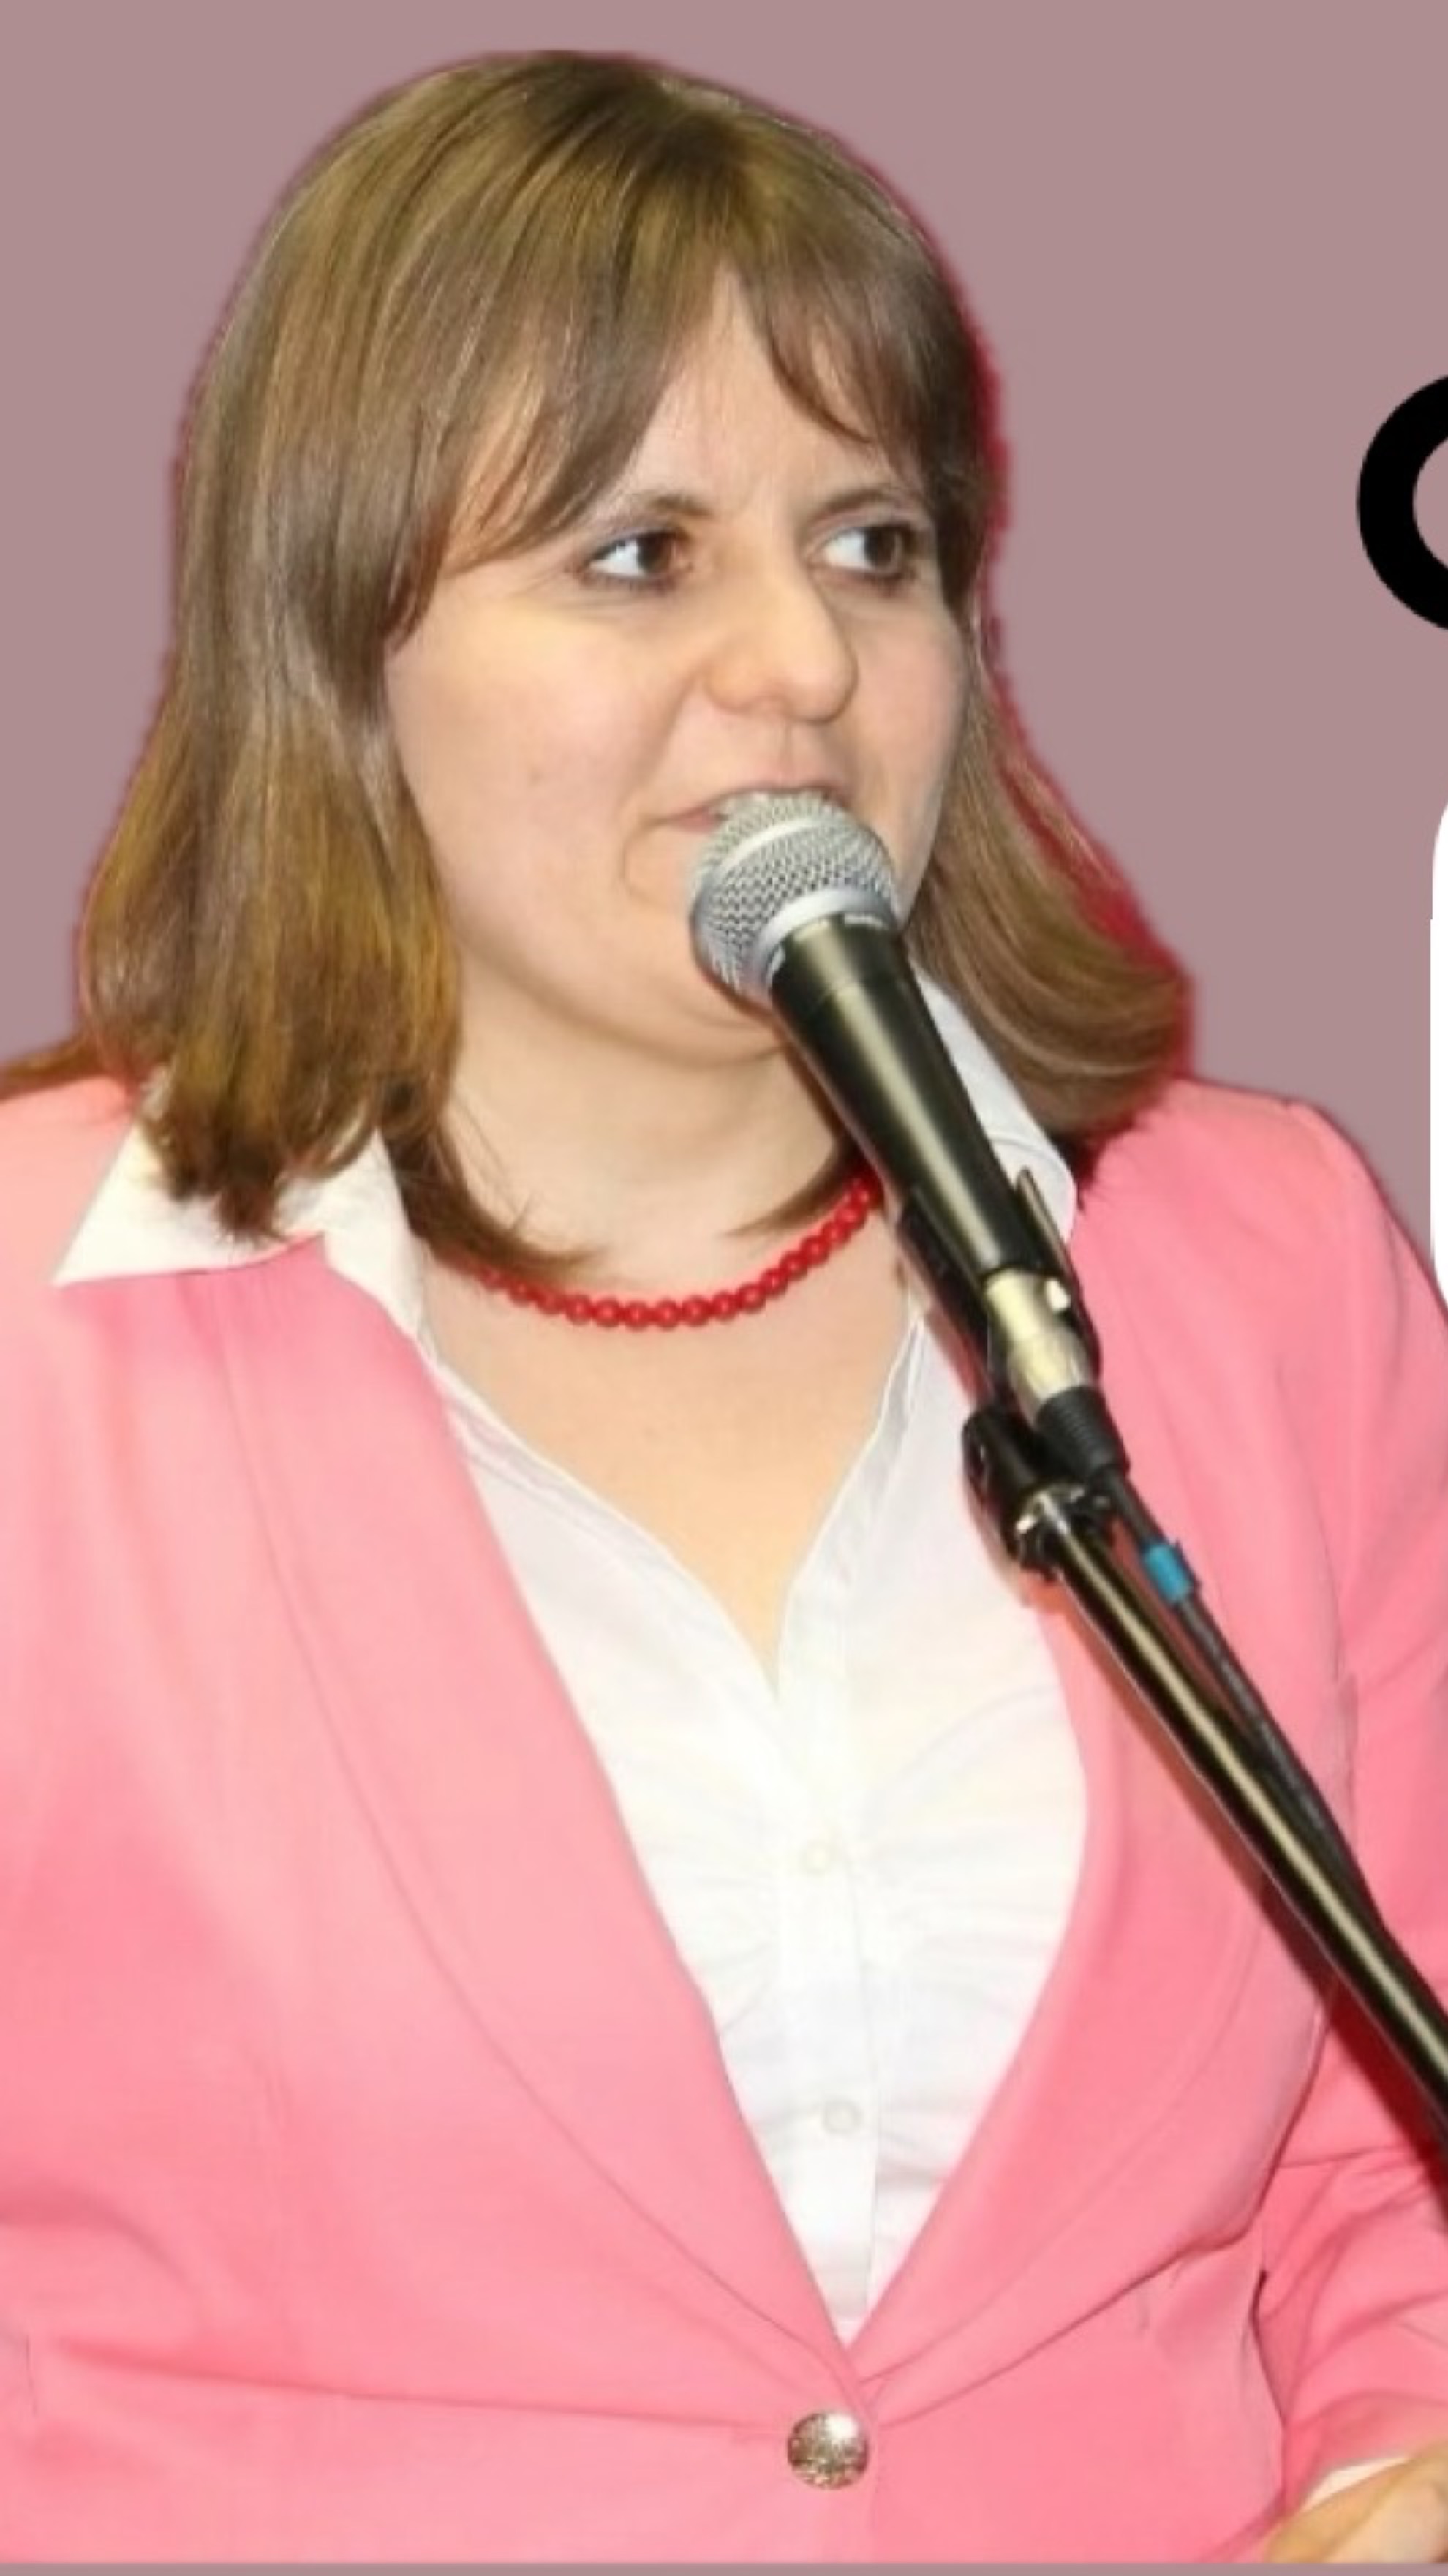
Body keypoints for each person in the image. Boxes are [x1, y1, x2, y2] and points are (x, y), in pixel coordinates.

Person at [1, 48, 1446, 2564]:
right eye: (639, 553)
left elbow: (1384, 2148)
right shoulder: (37, 1340)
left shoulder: (1259, 1261)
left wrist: (1394, 2475)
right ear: (340, 641)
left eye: (873, 544)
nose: (801, 660)